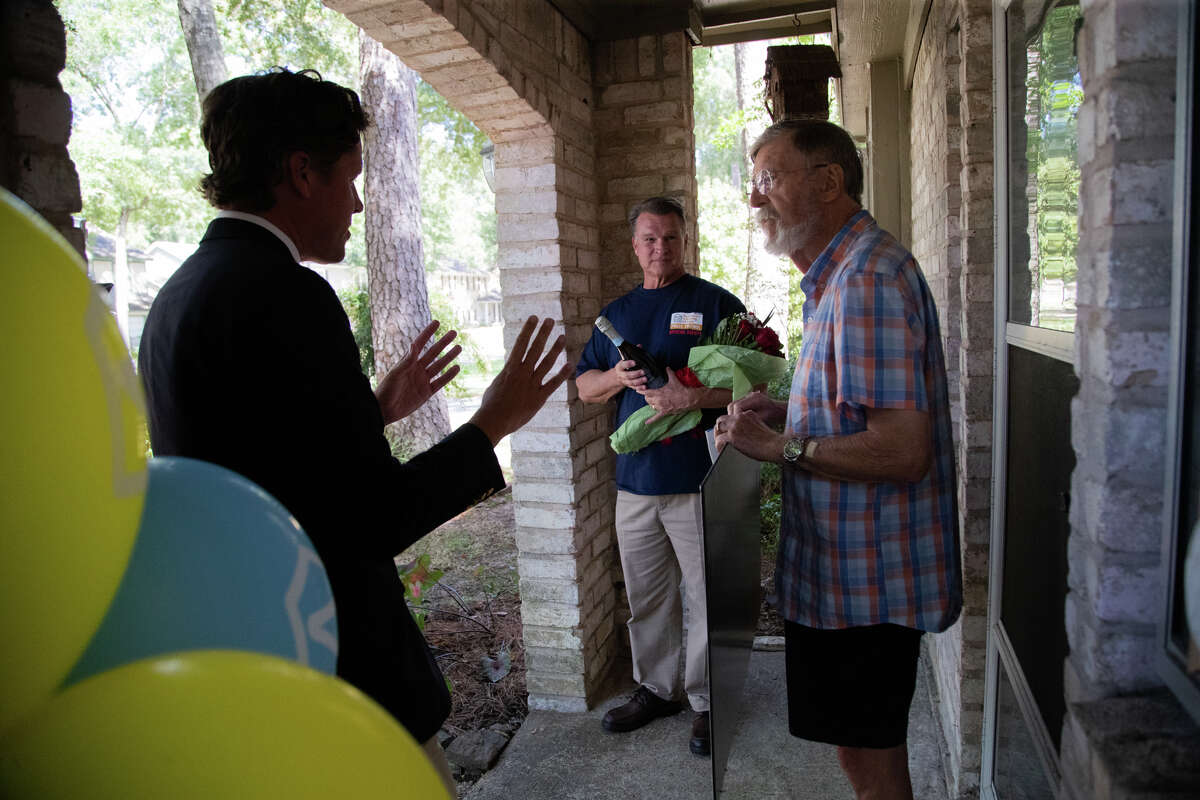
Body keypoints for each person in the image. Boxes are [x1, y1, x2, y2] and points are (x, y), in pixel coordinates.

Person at [137, 68, 570, 797]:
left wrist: (374, 408)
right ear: (300, 173)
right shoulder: (288, 295)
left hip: (248, 656)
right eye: (350, 178)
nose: (359, 203)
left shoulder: (179, 297)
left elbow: (269, 461)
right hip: (337, 667)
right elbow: (372, 516)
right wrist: (493, 421)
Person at [714, 120, 962, 800]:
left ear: (828, 182)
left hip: (870, 587)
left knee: (871, 760)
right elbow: (857, 414)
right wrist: (787, 415)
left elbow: (903, 451)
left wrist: (781, 446)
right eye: (753, 183)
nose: (755, 200)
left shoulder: (866, 282)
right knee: (858, 752)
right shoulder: (835, 280)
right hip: (849, 582)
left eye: (769, 178)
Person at [575, 196, 745, 757]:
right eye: (649, 239)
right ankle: (658, 688)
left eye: (670, 238)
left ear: (683, 240)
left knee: (703, 595)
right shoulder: (618, 313)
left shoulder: (714, 303)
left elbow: (755, 385)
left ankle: (705, 700)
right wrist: (617, 380)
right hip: (636, 484)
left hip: (698, 477)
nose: (660, 248)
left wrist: (691, 396)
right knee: (648, 597)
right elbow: (583, 387)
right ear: (634, 244)